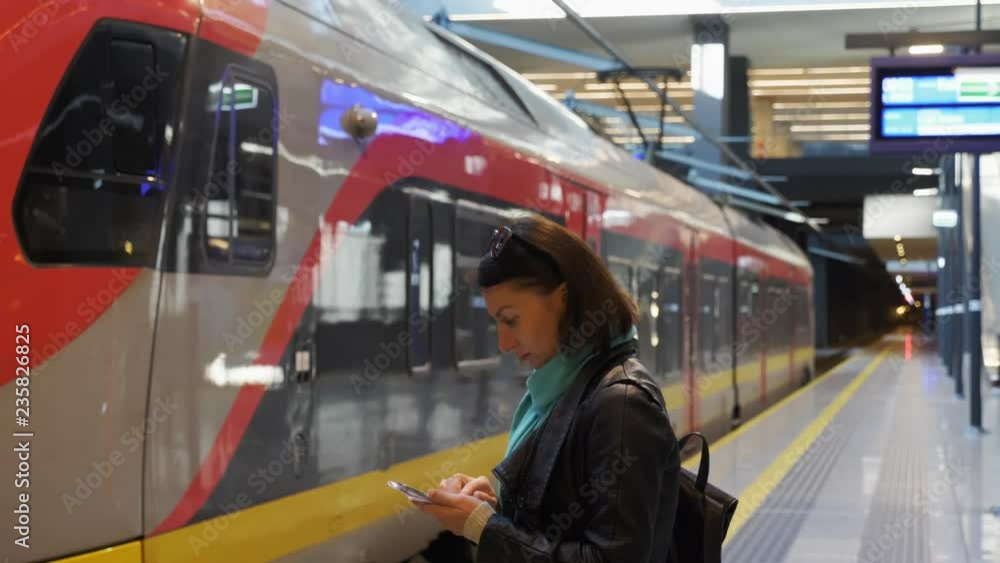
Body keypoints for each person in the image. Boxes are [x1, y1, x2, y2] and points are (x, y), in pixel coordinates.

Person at [416, 215, 680, 562]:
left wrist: (485, 528)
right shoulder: (564, 389)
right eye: (496, 322)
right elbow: (563, 520)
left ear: (564, 299)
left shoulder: (623, 403)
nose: (503, 343)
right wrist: (495, 511)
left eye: (511, 319)